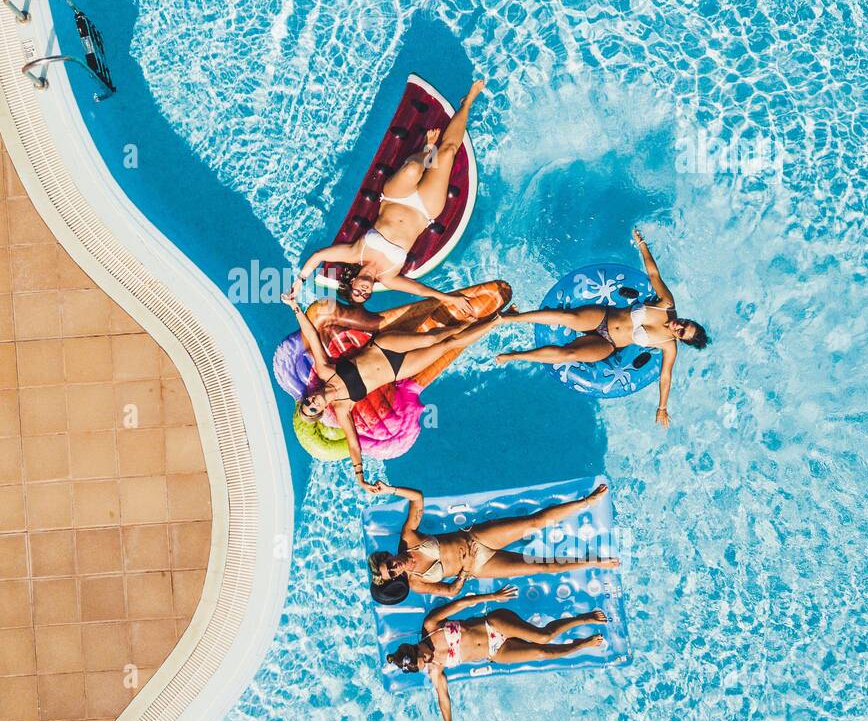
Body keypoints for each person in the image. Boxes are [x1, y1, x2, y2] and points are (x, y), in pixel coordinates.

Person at [285, 80, 488, 312]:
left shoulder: (354, 253)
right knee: (449, 152)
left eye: (357, 292)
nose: (364, 290)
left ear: (351, 282)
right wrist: (449, 299)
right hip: (425, 211)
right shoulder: (389, 277)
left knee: (412, 170)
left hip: (396, 198)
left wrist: (299, 282)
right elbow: (421, 290)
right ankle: (468, 102)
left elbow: (319, 255)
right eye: (366, 296)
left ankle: (425, 152)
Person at [494, 228, 708, 427]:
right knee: (566, 317)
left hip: (608, 343)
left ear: (680, 339)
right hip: (603, 317)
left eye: (682, 332)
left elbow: (665, 376)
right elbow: (654, 275)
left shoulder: (669, 346)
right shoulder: (667, 304)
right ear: (688, 319)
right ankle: (512, 318)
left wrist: (662, 407)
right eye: (686, 324)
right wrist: (642, 243)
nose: (679, 326)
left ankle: (514, 356)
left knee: (569, 354)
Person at [286, 298, 503, 490]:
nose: (312, 402)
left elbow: (313, 337)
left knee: (430, 339)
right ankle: (496, 322)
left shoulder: (325, 372)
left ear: (310, 395)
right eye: (313, 408)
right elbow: (354, 444)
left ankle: (469, 323)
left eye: (308, 402)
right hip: (399, 369)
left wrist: (295, 308)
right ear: (321, 410)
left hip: (383, 346)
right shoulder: (343, 408)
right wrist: (360, 477)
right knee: (448, 345)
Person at [387, 592, 609, 721]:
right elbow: (443, 698)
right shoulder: (434, 668)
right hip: (495, 652)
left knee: (543, 636)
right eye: (424, 663)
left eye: (423, 656)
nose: (428, 658)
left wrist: (492, 597)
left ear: (415, 648)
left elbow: (460, 604)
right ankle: (582, 644)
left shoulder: (431, 626)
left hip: (493, 624)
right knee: (543, 653)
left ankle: (584, 618)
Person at [367, 482, 616, 599]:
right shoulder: (417, 583)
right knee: (542, 566)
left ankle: (587, 502)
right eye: (391, 572)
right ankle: (594, 563)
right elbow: (451, 591)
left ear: (387, 556)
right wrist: (465, 571)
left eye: (388, 563)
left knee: (535, 522)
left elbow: (418, 498)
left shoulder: (409, 539)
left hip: (474, 539)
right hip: (477, 567)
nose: (393, 567)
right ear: (395, 577)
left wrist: (389, 490)